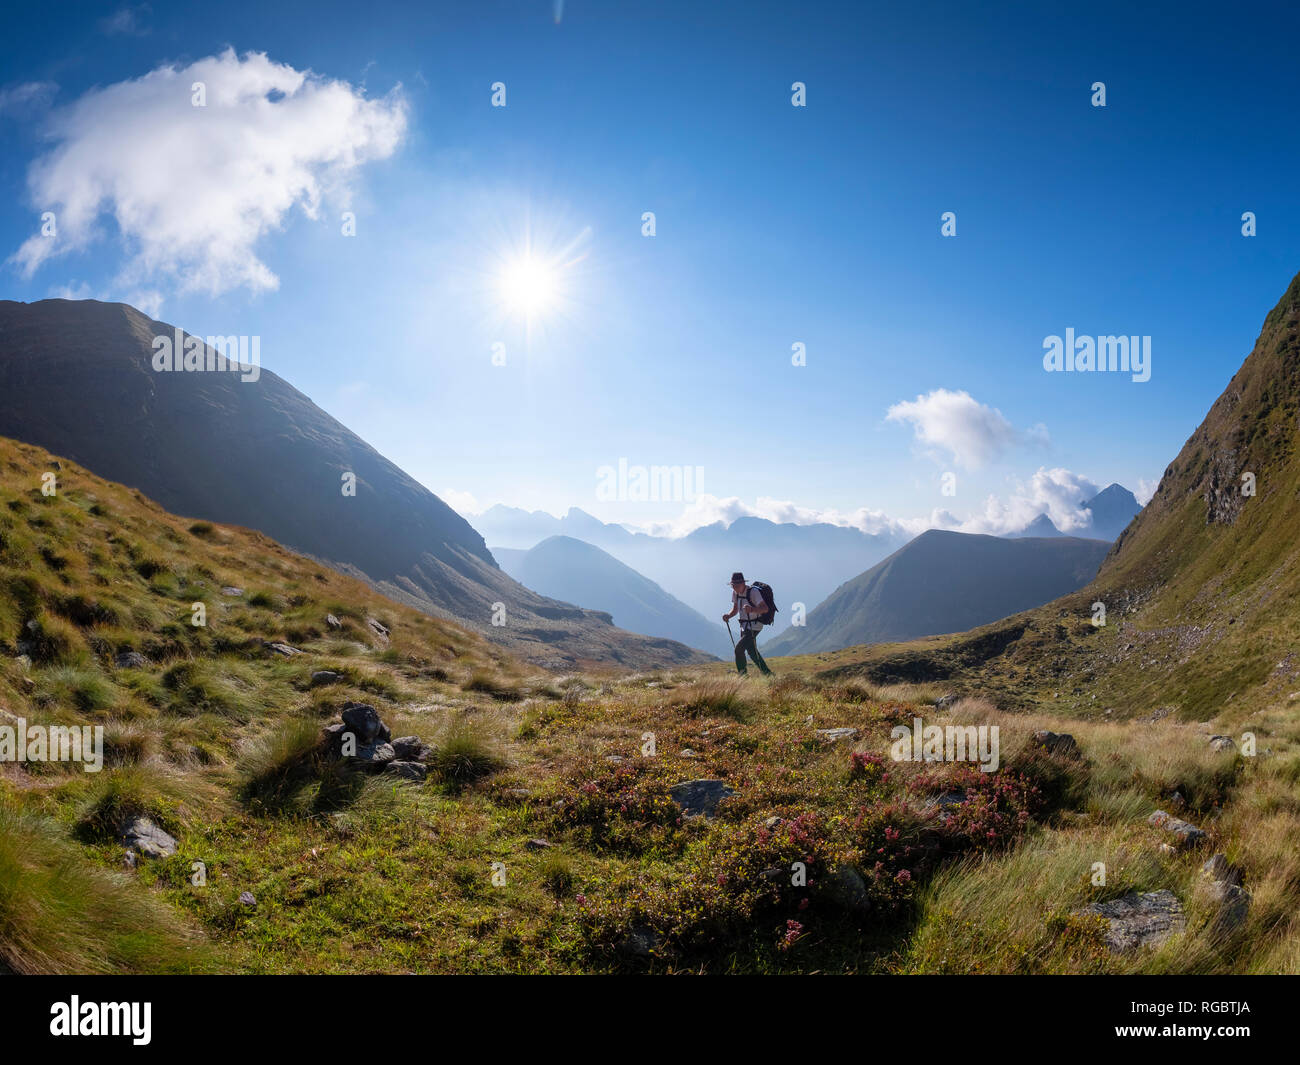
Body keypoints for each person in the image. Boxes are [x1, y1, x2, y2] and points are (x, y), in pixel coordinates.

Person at [723, 571, 773, 677]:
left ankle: (743, 676)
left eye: (737, 585)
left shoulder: (753, 592)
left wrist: (752, 609)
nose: (735, 588)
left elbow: (765, 608)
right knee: (752, 652)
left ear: (743, 583)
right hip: (744, 626)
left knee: (739, 649)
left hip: (755, 625)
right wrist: (728, 615)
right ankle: (768, 675)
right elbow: (735, 609)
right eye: (733, 586)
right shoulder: (735, 593)